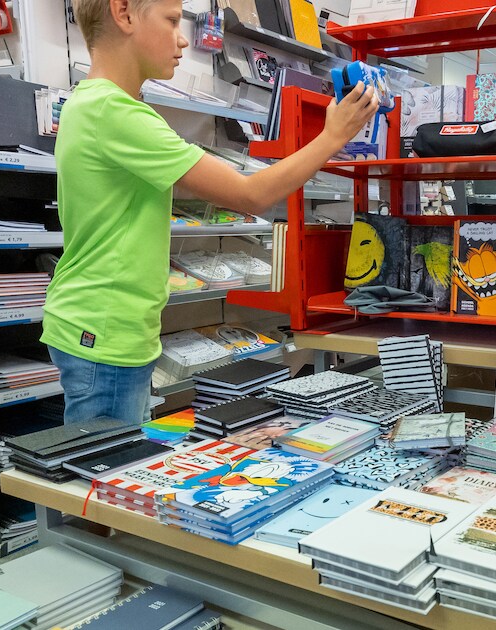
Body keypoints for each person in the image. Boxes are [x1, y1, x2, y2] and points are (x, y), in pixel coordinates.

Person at [45, 0, 377, 424]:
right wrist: (333, 137)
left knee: (116, 468)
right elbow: (251, 194)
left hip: (107, 325)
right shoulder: (113, 112)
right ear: (124, 13)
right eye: (170, 21)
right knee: (105, 475)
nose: (183, 38)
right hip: (105, 331)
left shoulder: (95, 105)